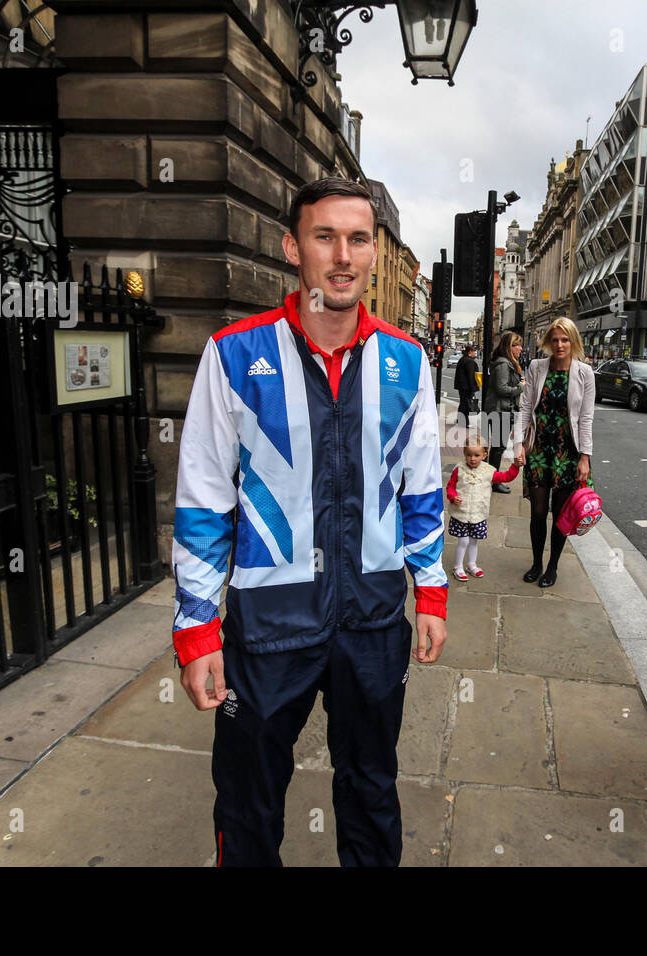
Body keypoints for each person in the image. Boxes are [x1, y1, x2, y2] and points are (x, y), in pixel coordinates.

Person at [171, 177, 449, 867]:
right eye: (325, 236)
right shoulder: (234, 354)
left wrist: (432, 591)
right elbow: (204, 497)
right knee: (248, 799)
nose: (343, 254)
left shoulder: (407, 362)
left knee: (372, 789)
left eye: (358, 238)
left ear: (375, 254)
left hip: (374, 620)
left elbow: (421, 489)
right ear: (294, 247)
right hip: (267, 625)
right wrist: (198, 629)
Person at [512, 317, 595, 588]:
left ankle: (552, 566)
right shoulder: (536, 367)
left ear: (573, 342)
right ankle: (536, 563)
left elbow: (586, 418)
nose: (560, 345)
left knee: (560, 515)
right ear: (548, 341)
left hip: (567, 453)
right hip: (538, 449)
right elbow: (526, 407)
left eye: (565, 339)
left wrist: (585, 457)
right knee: (537, 512)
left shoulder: (584, 373)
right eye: (556, 339)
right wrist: (519, 444)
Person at [444, 433, 522, 580]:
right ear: (464, 454)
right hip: (461, 513)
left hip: (478, 514)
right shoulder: (459, 469)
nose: (472, 458)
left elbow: (506, 477)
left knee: (473, 541)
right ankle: (458, 566)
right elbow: (450, 486)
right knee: (463, 541)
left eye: (476, 455)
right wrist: (453, 497)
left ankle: (472, 564)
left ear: (485, 455)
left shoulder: (489, 471)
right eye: (469, 455)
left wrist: (515, 466)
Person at [482, 331, 526, 493]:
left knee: (496, 447)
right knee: (498, 448)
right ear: (509, 347)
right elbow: (501, 388)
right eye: (518, 345)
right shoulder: (502, 364)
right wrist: (520, 387)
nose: (521, 348)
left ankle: (489, 479)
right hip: (501, 411)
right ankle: (493, 481)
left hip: (501, 409)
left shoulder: (505, 363)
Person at [454, 343, 479, 428]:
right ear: (469, 352)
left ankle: (461, 420)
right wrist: (473, 388)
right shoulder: (469, 361)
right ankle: (464, 422)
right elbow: (471, 376)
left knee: (463, 403)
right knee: (465, 404)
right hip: (466, 387)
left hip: (462, 386)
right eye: (473, 352)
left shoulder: (463, 359)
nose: (474, 354)